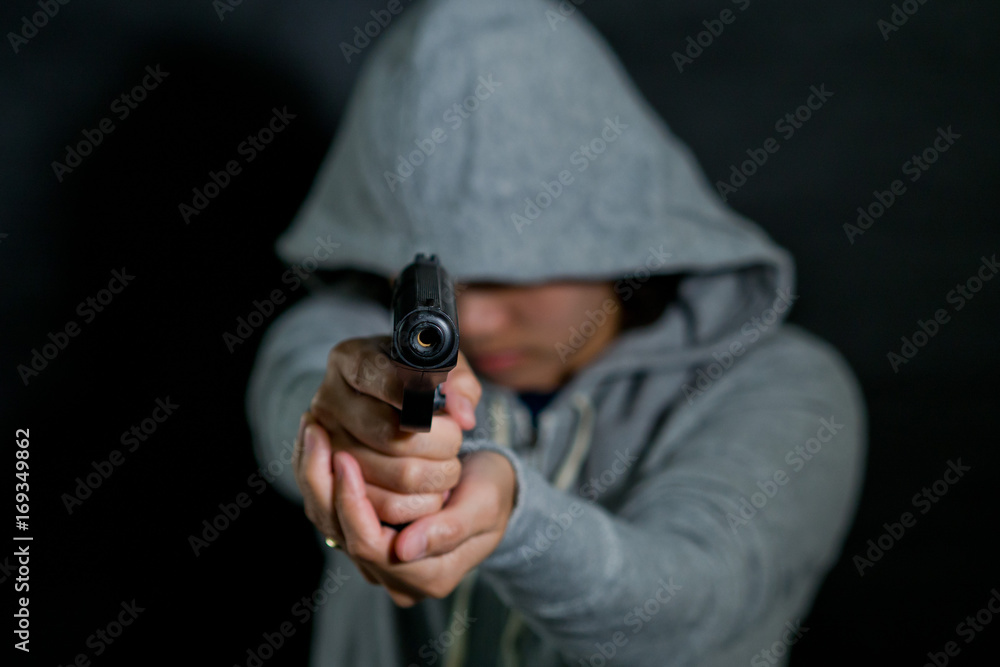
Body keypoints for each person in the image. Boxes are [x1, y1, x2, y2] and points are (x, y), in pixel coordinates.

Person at [247, 0, 866, 664]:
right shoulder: (336, 336)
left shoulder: (787, 388)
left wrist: (516, 519)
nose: (475, 321)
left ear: (620, 243)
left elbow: (691, 609)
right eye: (442, 289)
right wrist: (352, 438)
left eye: (515, 277)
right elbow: (300, 385)